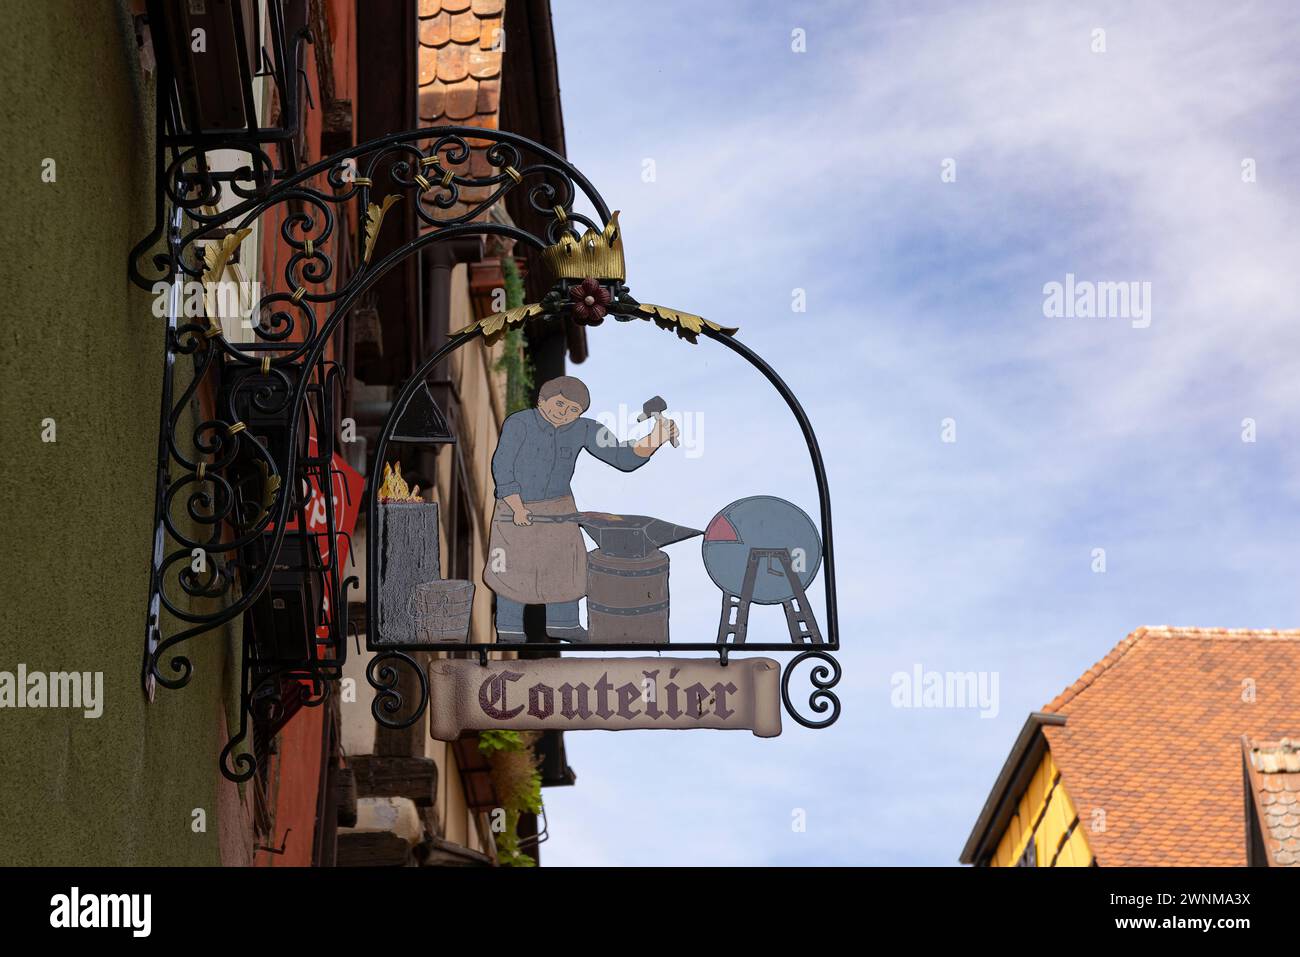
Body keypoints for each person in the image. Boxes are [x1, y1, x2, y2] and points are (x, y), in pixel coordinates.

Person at [484, 375, 678, 642]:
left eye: (574, 410)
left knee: (567, 565)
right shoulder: (519, 423)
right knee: (512, 568)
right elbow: (502, 466)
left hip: (559, 507)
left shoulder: (584, 428)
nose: (565, 414)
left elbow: (623, 456)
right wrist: (516, 506)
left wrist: (656, 438)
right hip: (514, 506)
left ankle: (563, 623)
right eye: (560, 405)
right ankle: (509, 628)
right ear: (542, 401)